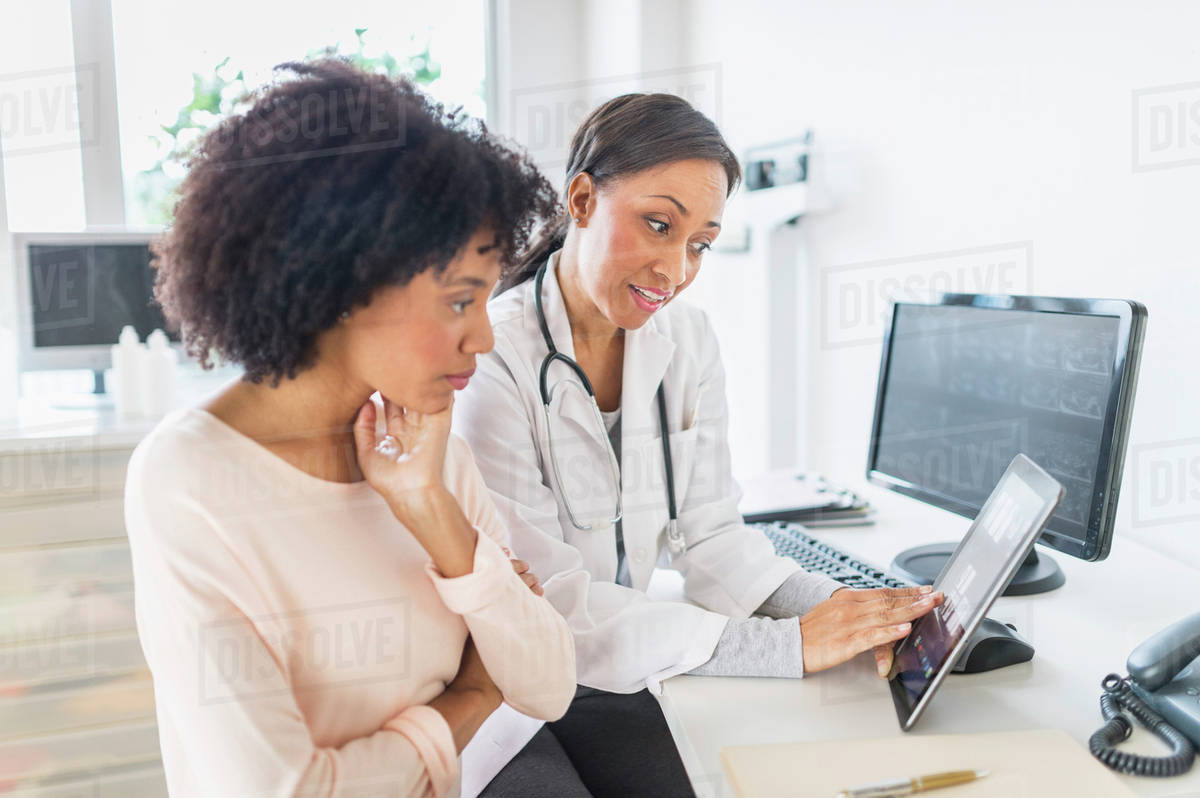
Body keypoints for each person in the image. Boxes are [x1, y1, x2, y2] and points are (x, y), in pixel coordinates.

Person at [453, 93, 943, 796]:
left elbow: (714, 538)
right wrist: (788, 645)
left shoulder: (688, 341)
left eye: (700, 244)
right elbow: (552, 610)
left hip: (617, 671)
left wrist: (858, 614)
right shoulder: (491, 360)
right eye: (658, 225)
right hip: (501, 694)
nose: (676, 270)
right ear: (583, 199)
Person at [124, 59, 575, 797]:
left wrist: (430, 511)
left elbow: (548, 682)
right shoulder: (188, 480)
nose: (485, 340)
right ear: (340, 282)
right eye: (460, 302)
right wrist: (464, 701)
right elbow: (287, 790)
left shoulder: (424, 449)